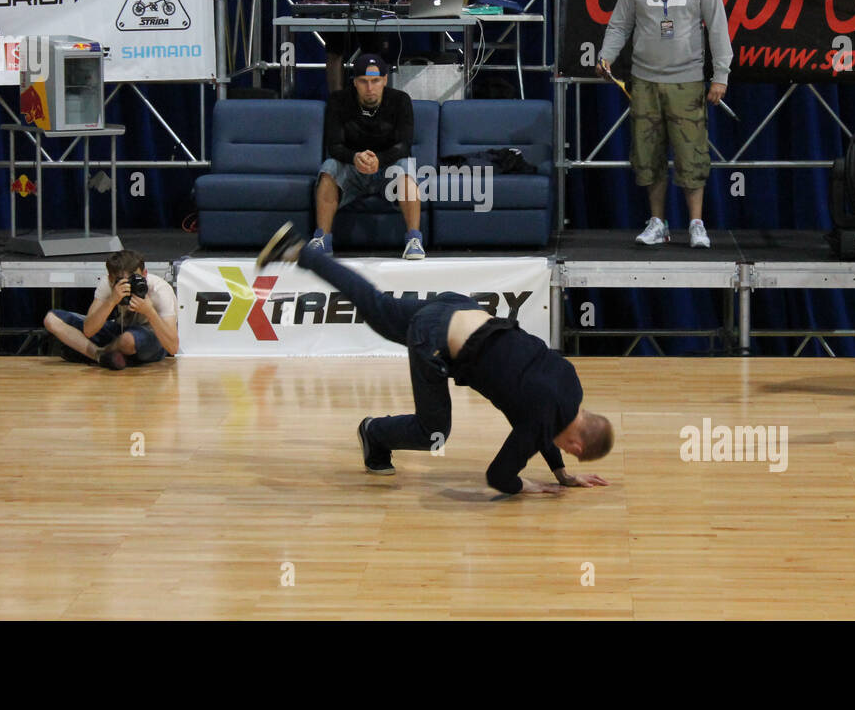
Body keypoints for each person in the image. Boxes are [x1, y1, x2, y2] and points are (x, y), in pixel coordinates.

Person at [257, 222, 614, 494]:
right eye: (570, 455)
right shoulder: (542, 419)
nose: (563, 453)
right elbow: (499, 477)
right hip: (435, 340)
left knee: (375, 305)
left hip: (459, 307)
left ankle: (301, 252)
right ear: (577, 445)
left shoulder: (569, 381)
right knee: (434, 434)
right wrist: (530, 487)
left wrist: (561, 473)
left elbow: (541, 424)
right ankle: (374, 432)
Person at [596, 0, 732, 249]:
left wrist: (721, 76)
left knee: (692, 154)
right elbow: (619, 25)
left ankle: (697, 223)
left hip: (686, 82)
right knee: (647, 155)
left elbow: (718, 29)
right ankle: (658, 222)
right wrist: (606, 55)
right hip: (644, 81)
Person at [310, 53, 425, 260]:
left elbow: (403, 145)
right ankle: (322, 239)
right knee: (328, 167)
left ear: (385, 80)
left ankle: (414, 239)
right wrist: (355, 158)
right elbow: (334, 146)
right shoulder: (338, 101)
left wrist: (378, 160)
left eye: (375, 81)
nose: (370, 88)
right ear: (355, 82)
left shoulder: (400, 100)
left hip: (386, 169)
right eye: (363, 81)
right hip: (352, 168)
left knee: (406, 166)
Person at [42, 249, 179, 370]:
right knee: (51, 319)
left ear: (144, 274)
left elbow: (172, 347)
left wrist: (150, 312)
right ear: (110, 279)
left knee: (128, 340)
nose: (127, 287)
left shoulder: (160, 290)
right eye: (120, 282)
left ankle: (92, 353)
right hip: (118, 329)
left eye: (131, 280)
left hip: (149, 339)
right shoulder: (107, 285)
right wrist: (111, 301)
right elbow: (89, 330)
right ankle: (100, 357)